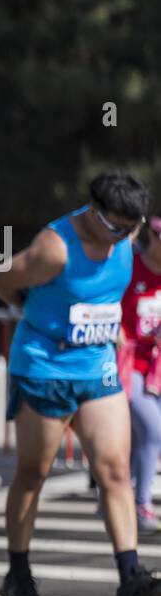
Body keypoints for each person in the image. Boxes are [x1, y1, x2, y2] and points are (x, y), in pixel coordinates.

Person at [0, 170, 161, 596]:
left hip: (97, 367)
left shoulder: (128, 239)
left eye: (132, 228)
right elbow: (1, 280)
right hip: (44, 368)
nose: (123, 238)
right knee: (34, 473)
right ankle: (18, 575)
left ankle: (131, 579)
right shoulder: (54, 248)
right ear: (93, 211)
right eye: (115, 227)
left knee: (116, 470)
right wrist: (35, 314)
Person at [119, 217, 161, 532]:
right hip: (129, 362)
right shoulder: (129, 267)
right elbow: (107, 303)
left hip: (157, 366)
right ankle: (141, 504)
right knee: (152, 431)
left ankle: (115, 495)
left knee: (137, 439)